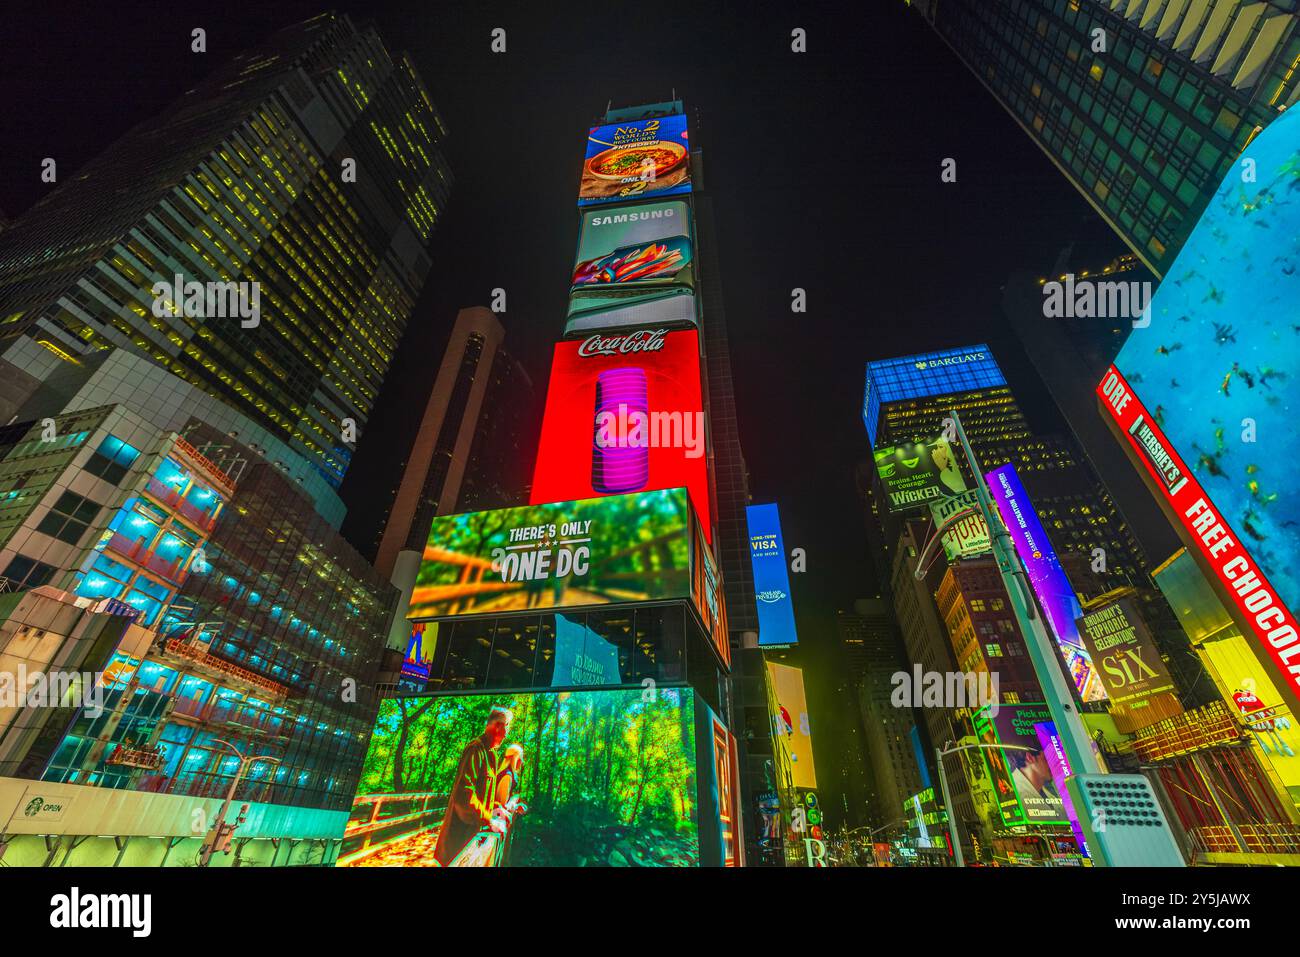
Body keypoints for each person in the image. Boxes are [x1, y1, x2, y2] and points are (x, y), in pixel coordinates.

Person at [433, 707, 512, 866]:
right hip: (459, 839)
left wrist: (497, 808)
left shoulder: (492, 755)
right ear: (497, 726)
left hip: (473, 837)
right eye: (507, 726)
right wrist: (489, 819)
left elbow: (484, 795)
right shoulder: (476, 749)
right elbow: (464, 797)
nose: (506, 733)